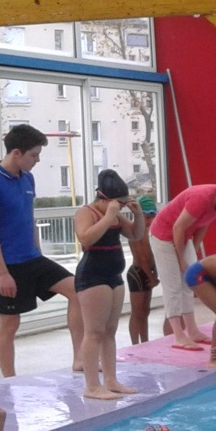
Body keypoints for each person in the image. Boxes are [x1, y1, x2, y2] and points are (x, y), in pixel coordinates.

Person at [0, 123, 84, 377]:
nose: (37, 160)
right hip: (6, 264)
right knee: (9, 323)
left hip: (32, 259)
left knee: (78, 291)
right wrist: (3, 274)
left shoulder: (27, 178)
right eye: (33, 155)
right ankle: (8, 380)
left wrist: (38, 251)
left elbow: (29, 218)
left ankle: (80, 357)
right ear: (16, 153)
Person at [149, 172, 216, 351]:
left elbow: (202, 226)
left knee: (190, 282)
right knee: (173, 286)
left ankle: (192, 330)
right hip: (163, 236)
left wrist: (193, 252)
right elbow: (178, 226)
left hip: (183, 237)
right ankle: (179, 335)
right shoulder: (202, 197)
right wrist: (181, 259)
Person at [73, 170, 146, 400]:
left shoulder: (115, 214)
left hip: (114, 274)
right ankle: (92, 386)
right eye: (120, 203)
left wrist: (138, 215)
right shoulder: (87, 212)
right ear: (105, 199)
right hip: (93, 275)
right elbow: (85, 239)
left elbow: (135, 235)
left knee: (110, 331)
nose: (122, 208)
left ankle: (111, 380)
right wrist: (107, 217)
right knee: (93, 331)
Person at [126, 195, 161, 345]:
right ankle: (135, 344)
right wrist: (152, 278)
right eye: (147, 217)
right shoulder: (136, 231)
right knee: (137, 312)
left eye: (153, 217)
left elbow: (155, 257)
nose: (150, 221)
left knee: (145, 311)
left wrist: (156, 274)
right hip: (137, 273)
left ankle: (145, 342)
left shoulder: (152, 232)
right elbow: (142, 259)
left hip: (149, 273)